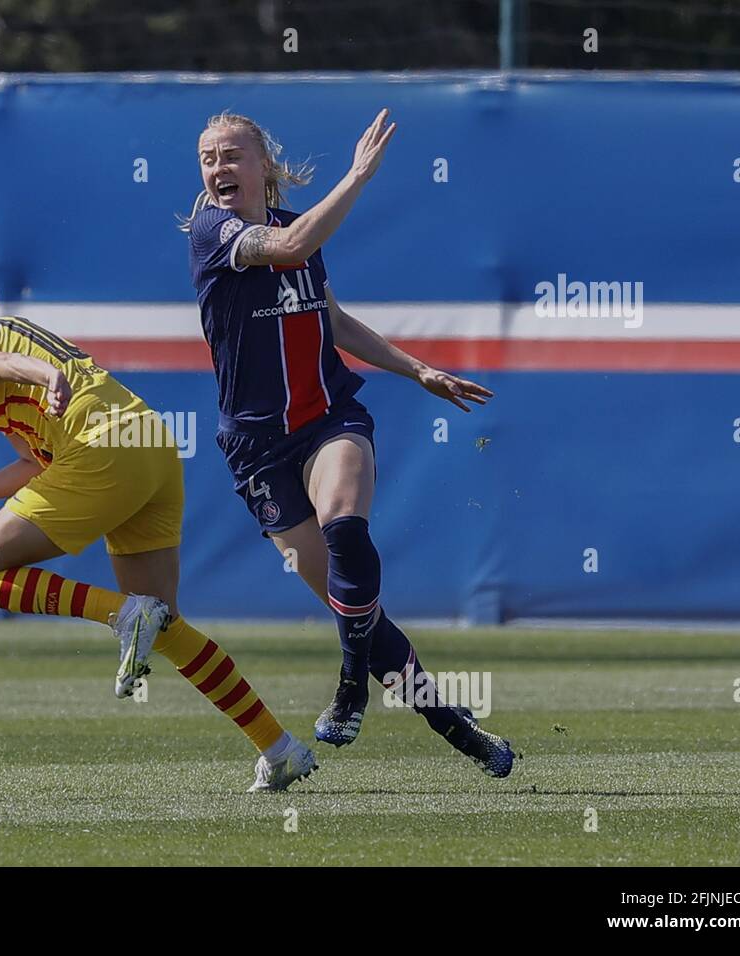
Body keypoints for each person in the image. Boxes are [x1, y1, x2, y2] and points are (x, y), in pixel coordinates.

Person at [0, 262, 318, 790]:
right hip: (147, 445)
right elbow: (32, 464)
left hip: (100, 448)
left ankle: (121, 615)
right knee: (167, 627)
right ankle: (279, 749)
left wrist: (46, 377)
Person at [184, 110, 514, 776]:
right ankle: (457, 728)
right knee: (353, 604)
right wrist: (359, 175)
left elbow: (329, 318)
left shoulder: (294, 228)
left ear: (263, 166)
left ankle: (350, 689)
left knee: (346, 532)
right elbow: (290, 250)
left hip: (329, 417)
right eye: (208, 158)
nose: (219, 168)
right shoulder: (213, 230)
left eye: (232, 155)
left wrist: (415, 368)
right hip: (258, 450)